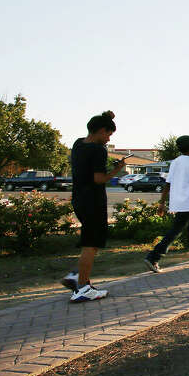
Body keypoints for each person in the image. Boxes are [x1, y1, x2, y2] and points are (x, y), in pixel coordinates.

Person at [61, 110, 128, 303]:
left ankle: (76, 276)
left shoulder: (78, 144)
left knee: (94, 241)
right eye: (108, 134)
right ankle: (82, 287)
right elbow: (99, 178)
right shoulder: (99, 150)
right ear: (100, 130)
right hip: (93, 200)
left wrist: (107, 118)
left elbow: (95, 129)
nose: (108, 139)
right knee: (91, 243)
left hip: (79, 198)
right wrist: (116, 169)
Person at [143, 135, 189, 272]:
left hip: (177, 202)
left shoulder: (175, 162)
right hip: (187, 202)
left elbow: (167, 184)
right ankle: (153, 257)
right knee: (176, 231)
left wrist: (162, 203)